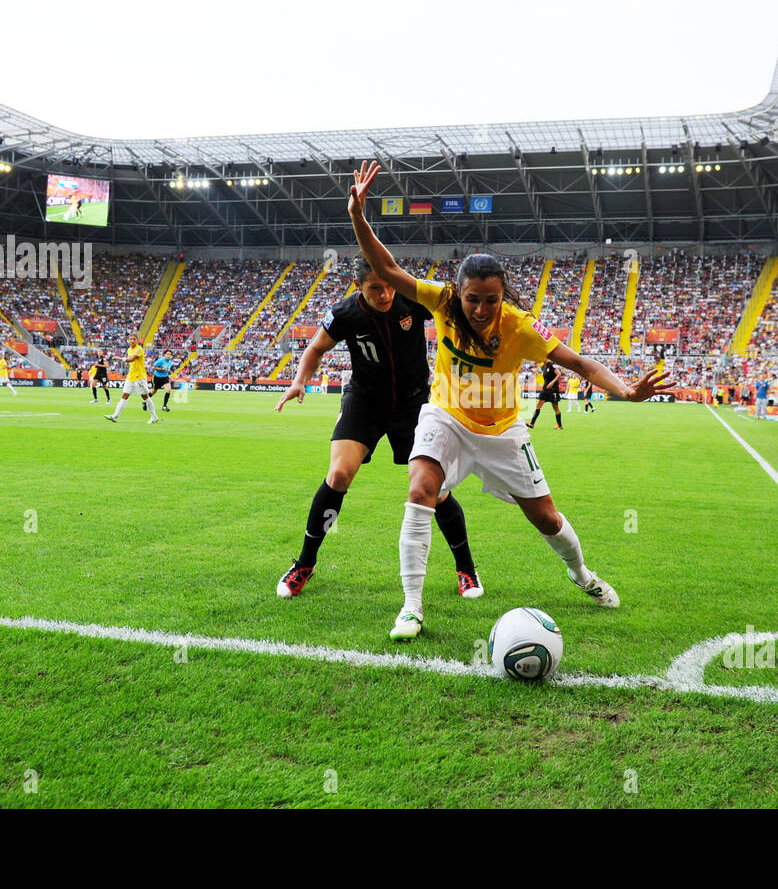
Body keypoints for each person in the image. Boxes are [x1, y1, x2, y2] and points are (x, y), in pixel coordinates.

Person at [347, 161, 674, 640]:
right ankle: (411, 608)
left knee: (545, 516)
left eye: (491, 300)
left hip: (503, 431)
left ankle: (581, 574)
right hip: (446, 418)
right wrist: (359, 214)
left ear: (504, 296)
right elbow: (387, 268)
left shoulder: (520, 326)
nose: (480, 310)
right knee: (420, 491)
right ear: (458, 292)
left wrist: (626, 390)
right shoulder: (439, 302)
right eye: (473, 299)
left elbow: (581, 364)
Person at [274, 258, 481, 600]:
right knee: (338, 475)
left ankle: (466, 570)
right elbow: (316, 348)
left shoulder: (411, 298)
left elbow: (453, 309)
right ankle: (304, 565)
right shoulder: (344, 314)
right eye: (375, 288)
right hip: (365, 402)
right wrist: (299, 381)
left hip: (413, 404)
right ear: (359, 287)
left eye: (388, 285)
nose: (385, 293)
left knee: (437, 488)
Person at [104, 333, 159, 424]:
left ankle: (154, 416)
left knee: (145, 396)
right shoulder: (129, 349)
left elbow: (132, 359)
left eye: (134, 339)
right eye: (131, 339)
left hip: (139, 377)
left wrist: (119, 358)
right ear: (128, 340)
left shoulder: (139, 349)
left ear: (137, 340)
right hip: (131, 376)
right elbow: (130, 362)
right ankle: (115, 416)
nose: (132, 340)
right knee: (125, 395)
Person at [527, 360, 564, 429]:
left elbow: (559, 374)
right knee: (538, 405)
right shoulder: (543, 366)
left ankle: (560, 425)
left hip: (553, 390)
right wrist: (533, 369)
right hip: (545, 389)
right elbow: (537, 370)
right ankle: (532, 423)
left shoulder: (551, 365)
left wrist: (552, 383)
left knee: (555, 407)